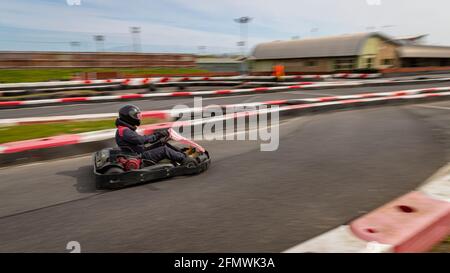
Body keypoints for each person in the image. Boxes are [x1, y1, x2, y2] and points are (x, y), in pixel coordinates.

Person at [115, 104, 196, 166]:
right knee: (164, 150)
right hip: (140, 156)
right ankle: (186, 161)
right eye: (136, 116)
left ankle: (182, 154)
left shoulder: (123, 128)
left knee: (162, 144)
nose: (138, 118)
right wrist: (158, 135)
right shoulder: (125, 131)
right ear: (129, 117)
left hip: (139, 152)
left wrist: (158, 135)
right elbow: (141, 140)